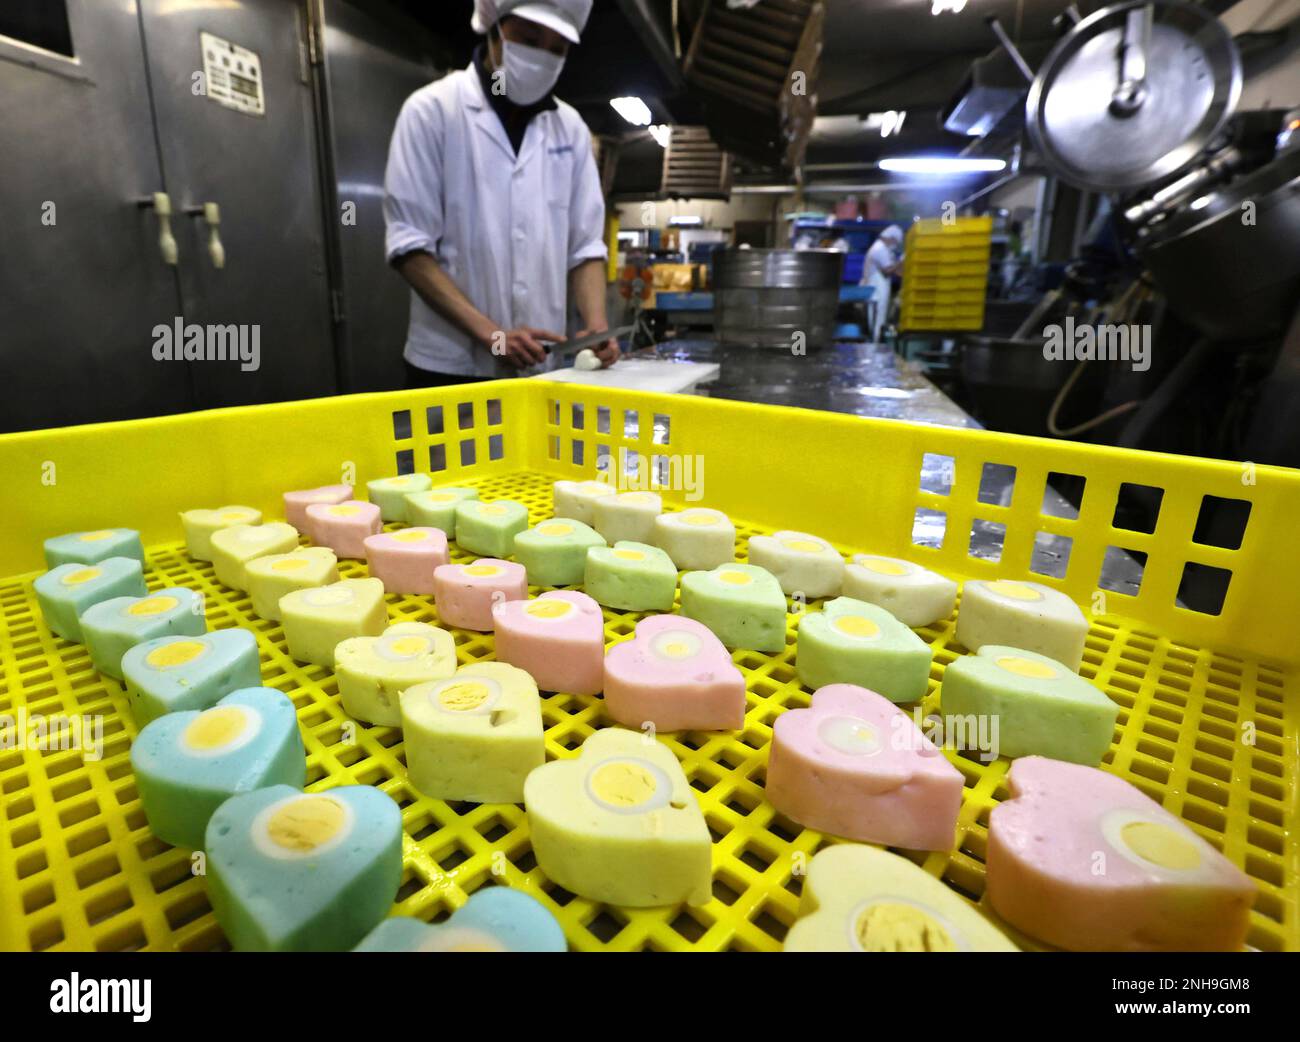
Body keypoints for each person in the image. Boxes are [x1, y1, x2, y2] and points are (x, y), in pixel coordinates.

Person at [383, 0, 618, 387]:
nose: (543, 55)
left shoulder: (571, 129)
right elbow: (409, 247)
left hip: (541, 364)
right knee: (449, 450)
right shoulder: (431, 112)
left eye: (558, 49)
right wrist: (493, 337)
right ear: (493, 27)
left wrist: (596, 329)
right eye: (529, 38)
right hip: (450, 368)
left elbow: (586, 247)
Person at [861, 224, 904, 343]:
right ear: (890, 238)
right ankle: (874, 345)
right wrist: (901, 261)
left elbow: (896, 272)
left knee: (879, 319)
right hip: (876, 291)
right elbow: (888, 270)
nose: (895, 244)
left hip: (880, 289)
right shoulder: (879, 249)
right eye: (895, 241)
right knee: (876, 319)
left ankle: (875, 342)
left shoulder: (884, 249)